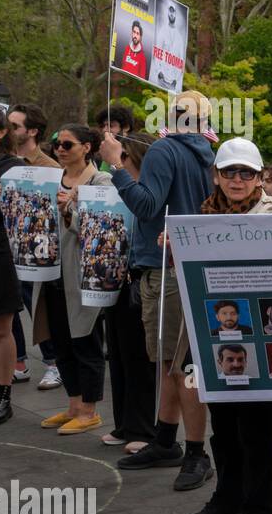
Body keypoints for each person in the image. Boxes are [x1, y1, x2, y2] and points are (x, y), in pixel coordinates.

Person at [98, 90, 215, 490]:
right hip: (181, 264)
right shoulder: (203, 151)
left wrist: (116, 167)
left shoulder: (165, 150)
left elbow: (147, 207)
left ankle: (196, 453)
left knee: (179, 367)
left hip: (166, 267)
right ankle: (166, 440)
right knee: (169, 362)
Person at [183, 138, 272, 514]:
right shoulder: (203, 215)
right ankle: (228, 497)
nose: (238, 179)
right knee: (224, 425)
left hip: (262, 335)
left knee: (257, 427)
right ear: (217, 176)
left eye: (246, 172)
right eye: (230, 172)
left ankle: (259, 508)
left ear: (260, 177)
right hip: (216, 334)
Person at [35, 125, 113, 436]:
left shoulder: (100, 180)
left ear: (87, 147)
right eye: (56, 143)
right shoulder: (52, 178)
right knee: (61, 343)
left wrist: (70, 210)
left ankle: (90, 411)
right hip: (51, 272)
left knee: (86, 341)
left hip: (84, 276)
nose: (60, 148)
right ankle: (73, 405)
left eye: (68, 143)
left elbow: (105, 229)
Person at [95, 110, 157, 454]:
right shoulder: (122, 189)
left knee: (138, 358)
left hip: (138, 280)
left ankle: (144, 427)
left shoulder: (144, 192)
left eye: (126, 159)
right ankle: (124, 422)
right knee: (117, 356)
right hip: (113, 279)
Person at [3, 102, 62, 390]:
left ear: (33, 131)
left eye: (15, 126)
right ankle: (19, 362)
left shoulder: (50, 167)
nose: (9, 130)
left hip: (37, 249)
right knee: (7, 307)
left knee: (35, 306)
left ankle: (54, 363)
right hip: (5, 246)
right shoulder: (2, 161)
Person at [0, 111, 23, 425]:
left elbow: (29, 209)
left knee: (0, 327)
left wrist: (7, 200)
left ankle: (2, 393)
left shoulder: (12, 168)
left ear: (1, 132)